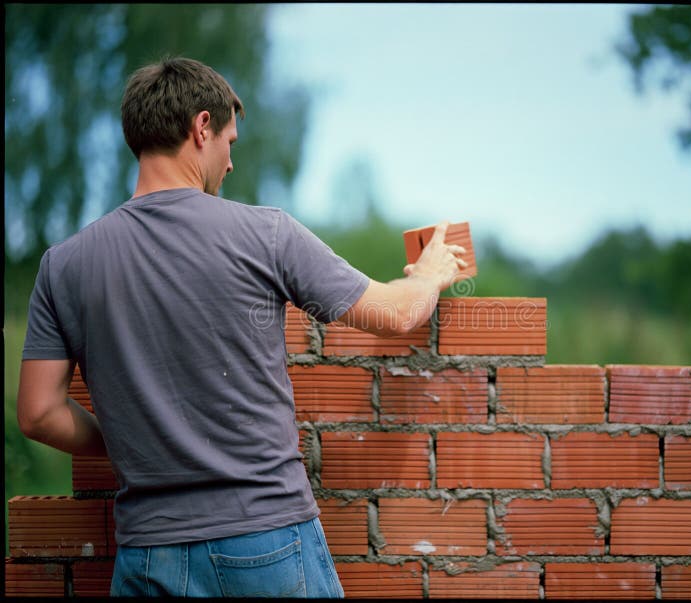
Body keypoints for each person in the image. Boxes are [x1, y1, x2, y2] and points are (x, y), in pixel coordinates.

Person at [16, 56, 466, 598]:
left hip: (148, 556)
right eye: (229, 140)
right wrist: (432, 275)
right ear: (200, 128)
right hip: (264, 541)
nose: (229, 163)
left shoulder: (63, 264)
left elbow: (39, 413)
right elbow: (395, 315)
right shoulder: (265, 234)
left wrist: (140, 437)